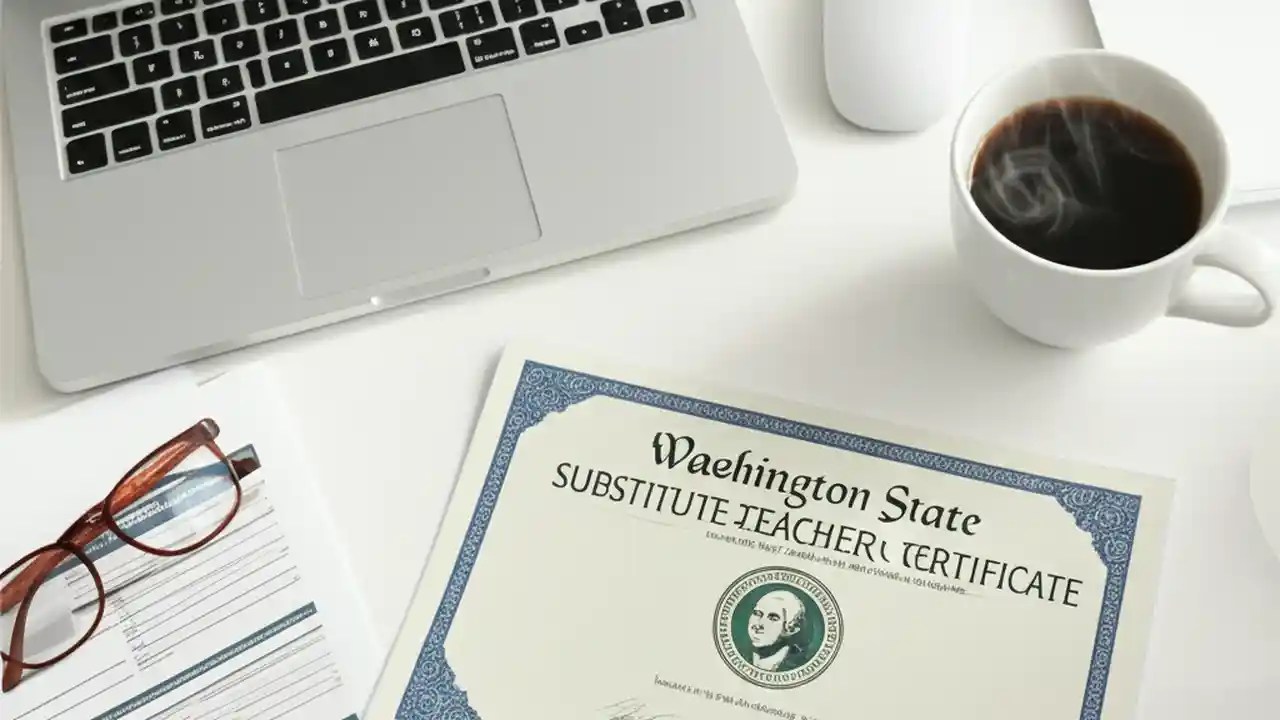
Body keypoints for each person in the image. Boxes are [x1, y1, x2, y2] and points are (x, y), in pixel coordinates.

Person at [746, 589, 811, 672]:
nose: (759, 624)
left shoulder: (800, 665)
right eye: (757, 614)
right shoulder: (743, 656)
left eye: (773, 618)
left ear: (792, 629)